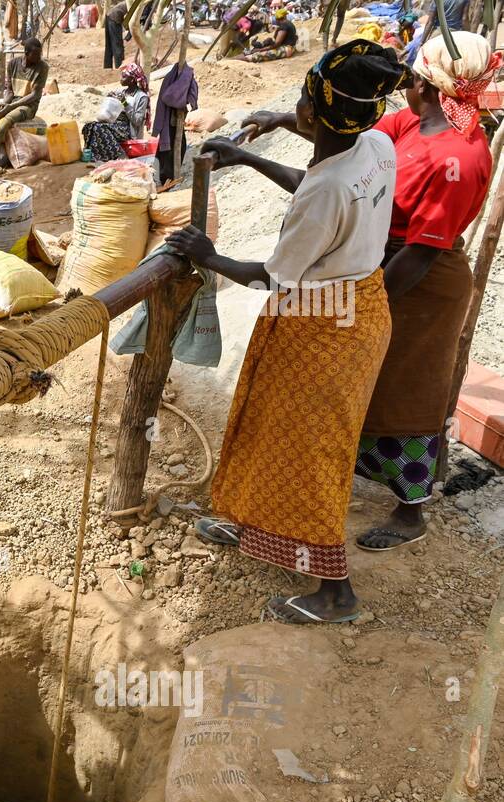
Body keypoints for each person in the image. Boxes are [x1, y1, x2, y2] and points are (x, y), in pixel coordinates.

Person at [168, 39, 408, 624]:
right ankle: (248, 516)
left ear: (310, 113)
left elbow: (273, 277)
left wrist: (209, 254)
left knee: (312, 452)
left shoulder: (325, 193)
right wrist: (250, 155)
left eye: (300, 100)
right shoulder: (376, 143)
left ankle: (336, 592)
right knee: (267, 420)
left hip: (323, 327)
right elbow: (322, 177)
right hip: (358, 310)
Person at [239, 32, 501, 553]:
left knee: (409, 393)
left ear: (425, 86)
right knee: (363, 384)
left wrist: (369, 299)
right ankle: (347, 481)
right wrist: (281, 123)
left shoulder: (457, 158)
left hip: (418, 281)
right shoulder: (407, 125)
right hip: (380, 263)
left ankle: (410, 513)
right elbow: (350, 135)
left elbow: (423, 251)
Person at [0, 37, 48, 150]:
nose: (39, 57)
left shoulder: (43, 67)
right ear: (26, 53)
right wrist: (5, 103)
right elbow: (10, 91)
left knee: (4, 124)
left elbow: (35, 94)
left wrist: (11, 106)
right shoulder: (13, 64)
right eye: (36, 54)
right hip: (12, 102)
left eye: (40, 53)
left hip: (29, 106)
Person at [81, 63, 149, 163]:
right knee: (89, 126)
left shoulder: (141, 97)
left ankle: (120, 155)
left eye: (124, 76)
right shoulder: (121, 91)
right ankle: (94, 156)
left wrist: (125, 103)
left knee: (100, 128)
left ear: (132, 80)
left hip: (127, 129)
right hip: (114, 124)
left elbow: (137, 121)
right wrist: (110, 99)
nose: (121, 78)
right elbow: (112, 111)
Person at [104, 1, 127, 69]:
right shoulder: (138, 4)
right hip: (114, 18)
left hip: (109, 15)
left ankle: (107, 66)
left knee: (109, 44)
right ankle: (119, 65)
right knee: (117, 44)